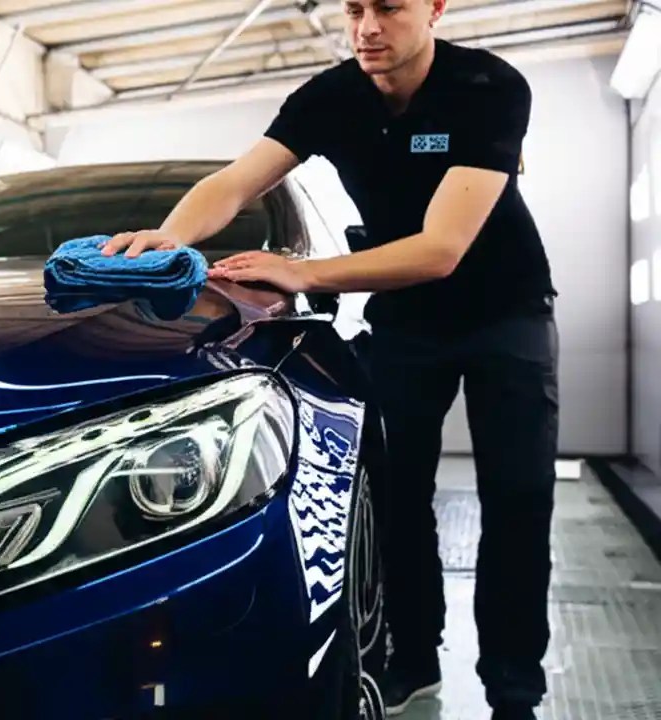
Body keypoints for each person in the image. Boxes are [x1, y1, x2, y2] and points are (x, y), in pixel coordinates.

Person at [99, 0, 559, 718]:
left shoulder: (489, 87)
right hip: (407, 322)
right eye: (354, 10)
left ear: (434, 8)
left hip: (508, 315)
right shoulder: (330, 96)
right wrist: (168, 238)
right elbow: (235, 181)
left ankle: (513, 690)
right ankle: (413, 659)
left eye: (389, 8)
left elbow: (442, 250)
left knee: (518, 500)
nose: (367, 28)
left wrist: (302, 273)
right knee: (399, 497)